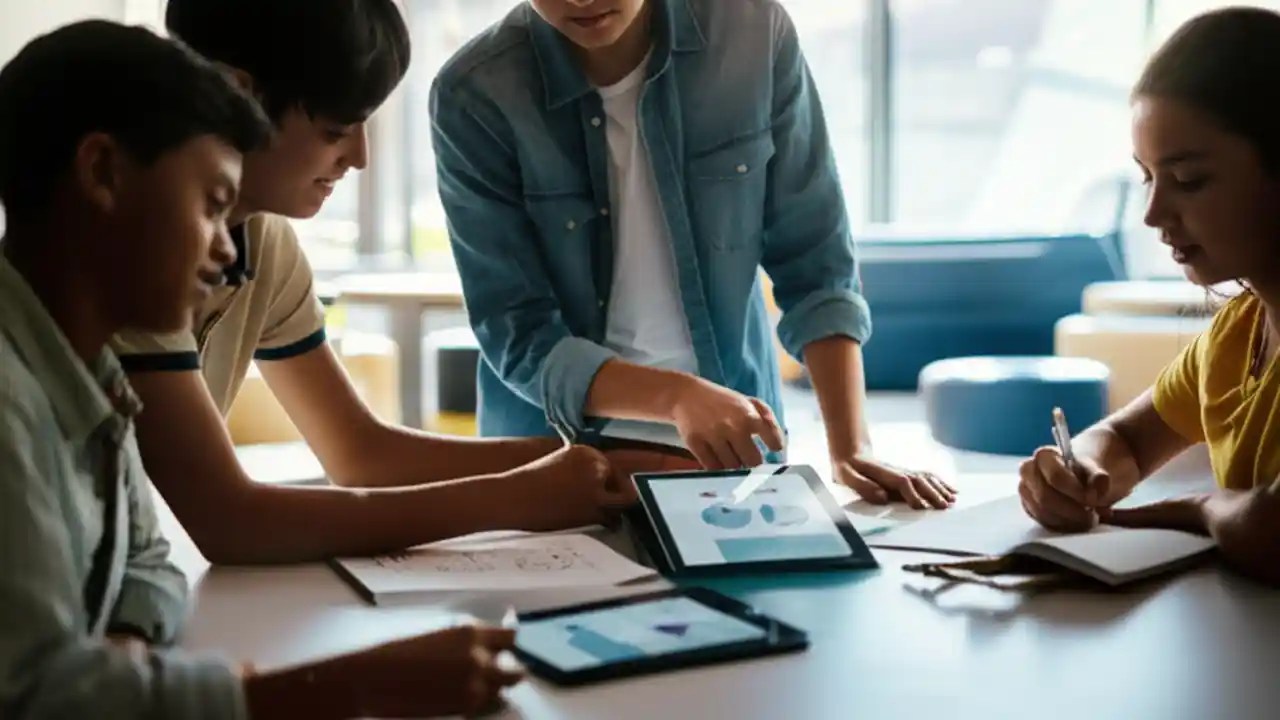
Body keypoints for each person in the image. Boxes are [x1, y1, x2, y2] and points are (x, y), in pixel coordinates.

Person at [0, 21, 520, 719]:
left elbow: (148, 561)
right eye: (213, 207)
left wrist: (122, 662)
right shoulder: (12, 403)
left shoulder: (91, 374)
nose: (224, 252)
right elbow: (40, 695)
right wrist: (345, 686)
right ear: (103, 173)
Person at [110, 0, 658, 566]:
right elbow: (231, 521)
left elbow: (358, 452)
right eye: (336, 130)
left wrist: (596, 461)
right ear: (238, 97)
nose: (360, 157)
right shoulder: (136, 250)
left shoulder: (265, 242)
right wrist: (515, 497)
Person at [430, 0, 956, 509]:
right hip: (554, 466)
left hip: (735, 458)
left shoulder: (753, 32)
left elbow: (815, 261)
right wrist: (677, 397)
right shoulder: (475, 94)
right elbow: (518, 333)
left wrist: (851, 447)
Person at [1017, 7, 1280, 586]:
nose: (1155, 214)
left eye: (1188, 181)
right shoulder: (1237, 334)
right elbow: (1127, 439)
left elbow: (1270, 528)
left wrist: (1194, 509)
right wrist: (1081, 471)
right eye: (1147, 177)